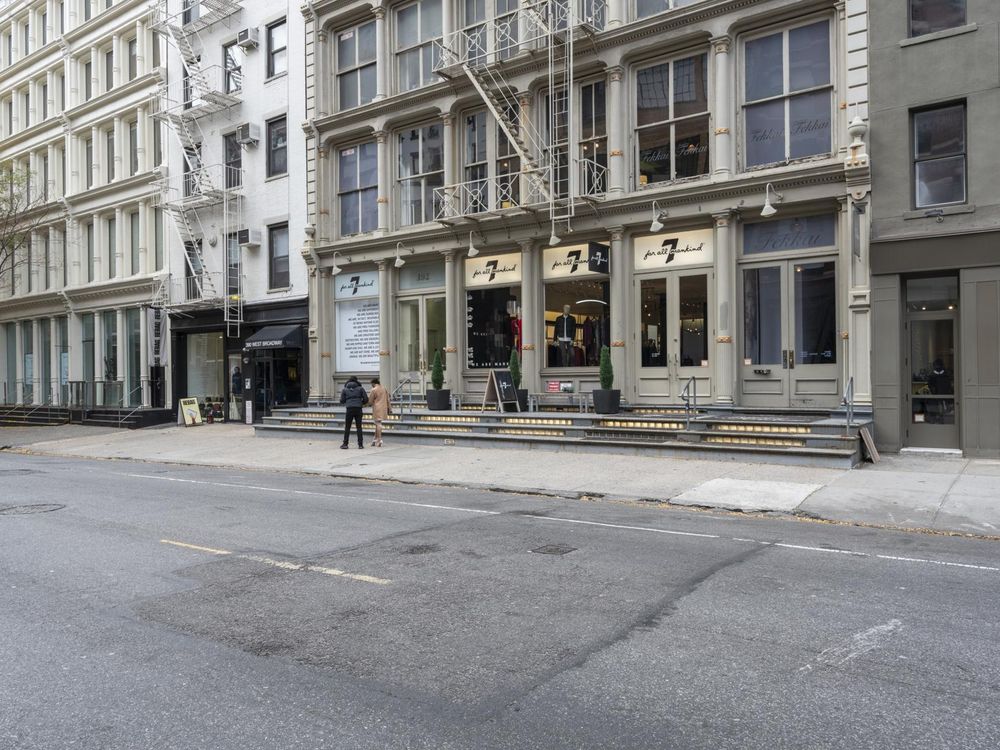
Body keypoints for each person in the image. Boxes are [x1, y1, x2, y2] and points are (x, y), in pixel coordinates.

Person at [339, 375, 368, 449]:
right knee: (359, 427)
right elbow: (366, 399)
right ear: (356, 381)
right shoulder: (360, 388)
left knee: (347, 427)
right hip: (358, 408)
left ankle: (345, 444)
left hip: (349, 409)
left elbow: (342, 400)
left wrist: (348, 401)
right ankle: (360, 445)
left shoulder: (345, 389)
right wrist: (361, 403)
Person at [369, 377, 390, 447]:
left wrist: (365, 404)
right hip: (383, 408)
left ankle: (379, 440)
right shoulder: (384, 388)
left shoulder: (373, 390)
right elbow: (388, 399)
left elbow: (370, 401)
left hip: (377, 408)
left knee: (378, 423)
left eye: (371, 384)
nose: (371, 385)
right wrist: (390, 408)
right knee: (377, 423)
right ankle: (374, 439)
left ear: (373, 383)